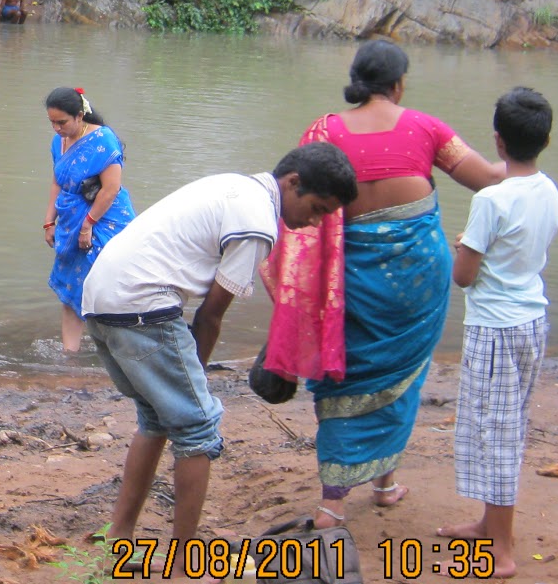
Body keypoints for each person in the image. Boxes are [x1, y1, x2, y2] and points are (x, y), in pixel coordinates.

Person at [264, 40, 504, 529]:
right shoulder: (426, 128)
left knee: (342, 377)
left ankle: (332, 503)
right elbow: (490, 181)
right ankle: (384, 484)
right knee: (401, 379)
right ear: (399, 84)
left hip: (343, 285)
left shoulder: (322, 132)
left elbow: (296, 204)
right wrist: (520, 156)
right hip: (415, 279)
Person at [84, 144, 357, 551]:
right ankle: (182, 560)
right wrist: (196, 385)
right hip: (142, 305)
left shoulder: (236, 185)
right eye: (317, 208)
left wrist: (187, 381)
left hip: (100, 299)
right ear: (293, 183)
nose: (316, 222)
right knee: (198, 428)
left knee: (156, 419)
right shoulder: (258, 224)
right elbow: (210, 317)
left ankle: (119, 538)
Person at [440, 88, 558, 577]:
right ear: (545, 140)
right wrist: (476, 249)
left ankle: (504, 550)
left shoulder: (491, 199)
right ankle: (488, 526)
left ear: (497, 141)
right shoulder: (548, 190)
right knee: (505, 424)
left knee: (496, 432)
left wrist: (463, 250)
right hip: (532, 318)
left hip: (495, 325)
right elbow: (521, 249)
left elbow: (463, 276)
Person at [44, 87, 136, 352]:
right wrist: (49, 221)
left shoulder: (104, 141)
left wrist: (88, 225)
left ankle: (124, 347)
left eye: (62, 122)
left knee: (107, 283)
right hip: (70, 221)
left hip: (105, 219)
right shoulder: (58, 142)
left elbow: (111, 189)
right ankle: (69, 353)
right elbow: (56, 182)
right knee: (72, 289)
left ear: (80, 116)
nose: (57, 128)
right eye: (52, 122)